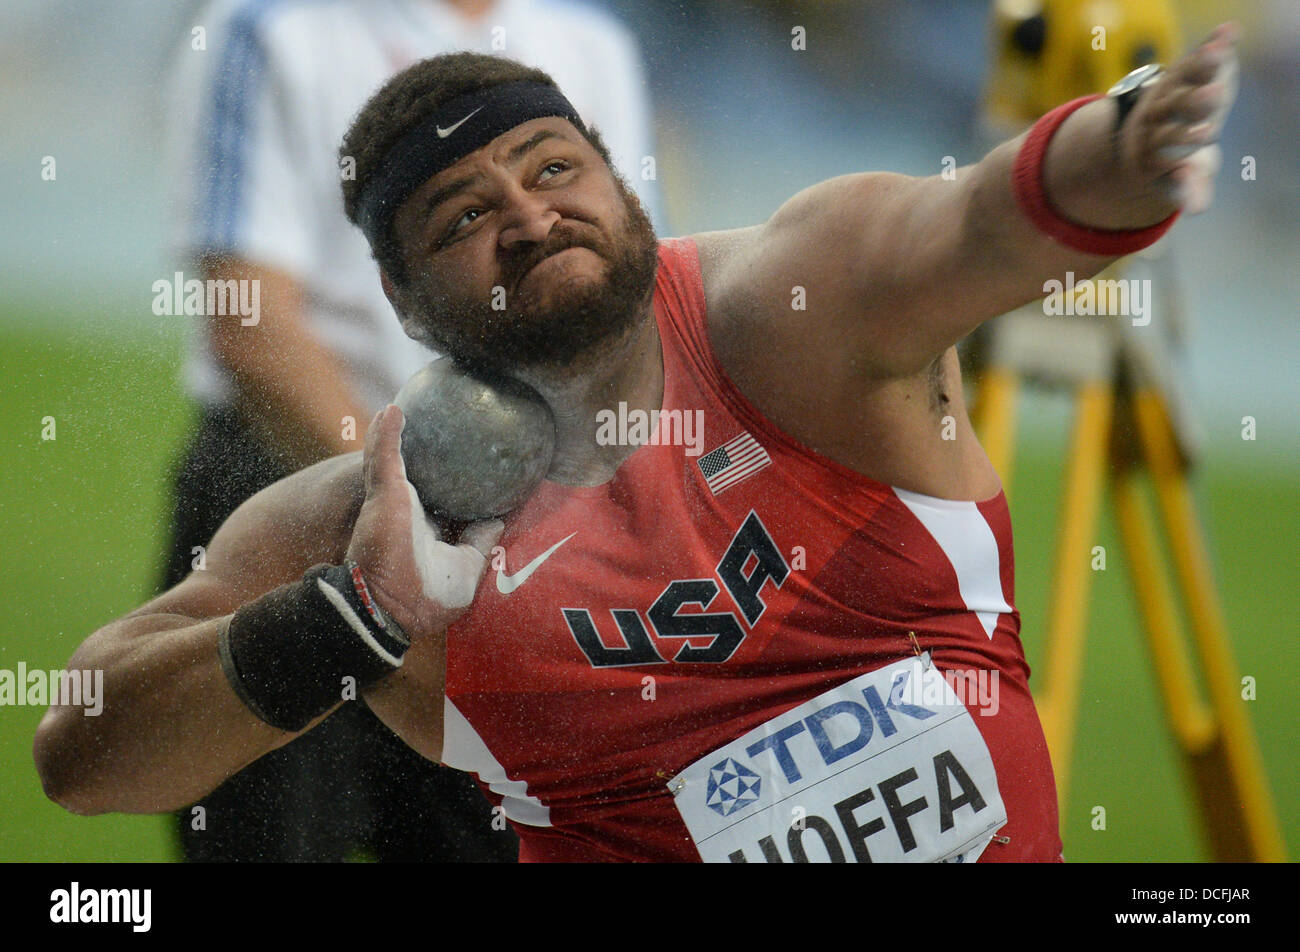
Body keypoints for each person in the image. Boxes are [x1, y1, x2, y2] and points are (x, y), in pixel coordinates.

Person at [37, 26, 1239, 861]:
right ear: (405, 304)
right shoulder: (367, 524)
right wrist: (352, 618)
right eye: (462, 215)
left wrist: (1122, 149)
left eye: (553, 167)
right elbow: (84, 752)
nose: (524, 214)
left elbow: (983, 215)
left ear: (621, 184)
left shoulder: (792, 310)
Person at [161, 0, 663, 861]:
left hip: (523, 519)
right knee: (270, 841)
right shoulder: (273, 30)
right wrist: (400, 505)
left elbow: (622, 294)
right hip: (296, 490)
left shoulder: (591, 44)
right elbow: (250, 323)